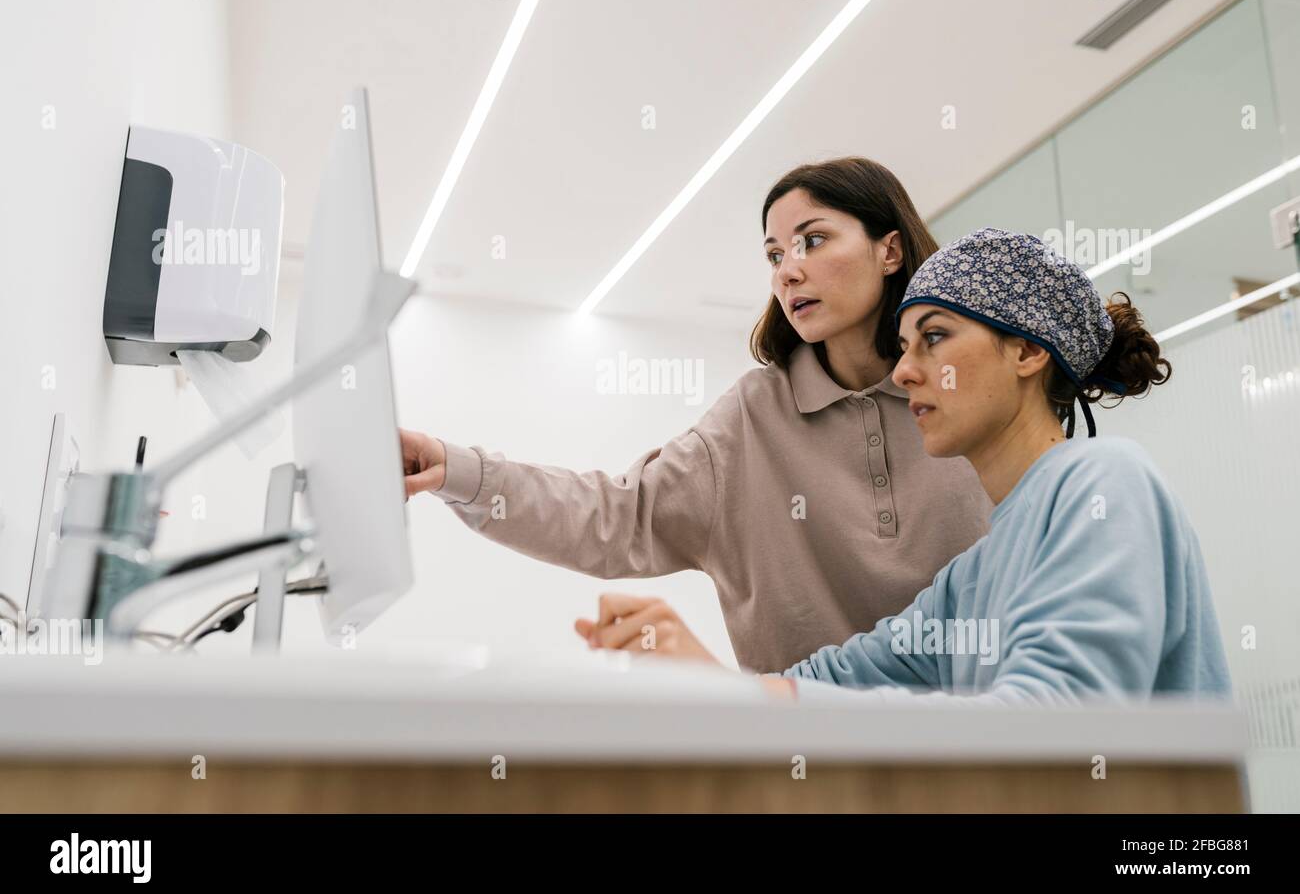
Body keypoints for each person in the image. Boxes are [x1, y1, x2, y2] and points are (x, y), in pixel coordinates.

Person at [401, 158, 992, 674]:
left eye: (813, 240)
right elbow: (616, 516)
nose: (787, 270)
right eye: (774, 254)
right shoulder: (751, 418)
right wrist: (456, 470)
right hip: (801, 774)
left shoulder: (971, 394)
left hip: (990, 766)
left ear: (889, 250)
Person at [649, 227, 1228, 704]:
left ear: (1028, 350)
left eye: (934, 337)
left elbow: (1054, 730)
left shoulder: (1104, 484)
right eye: (904, 347)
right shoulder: (968, 579)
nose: (903, 372)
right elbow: (832, 684)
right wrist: (717, 691)